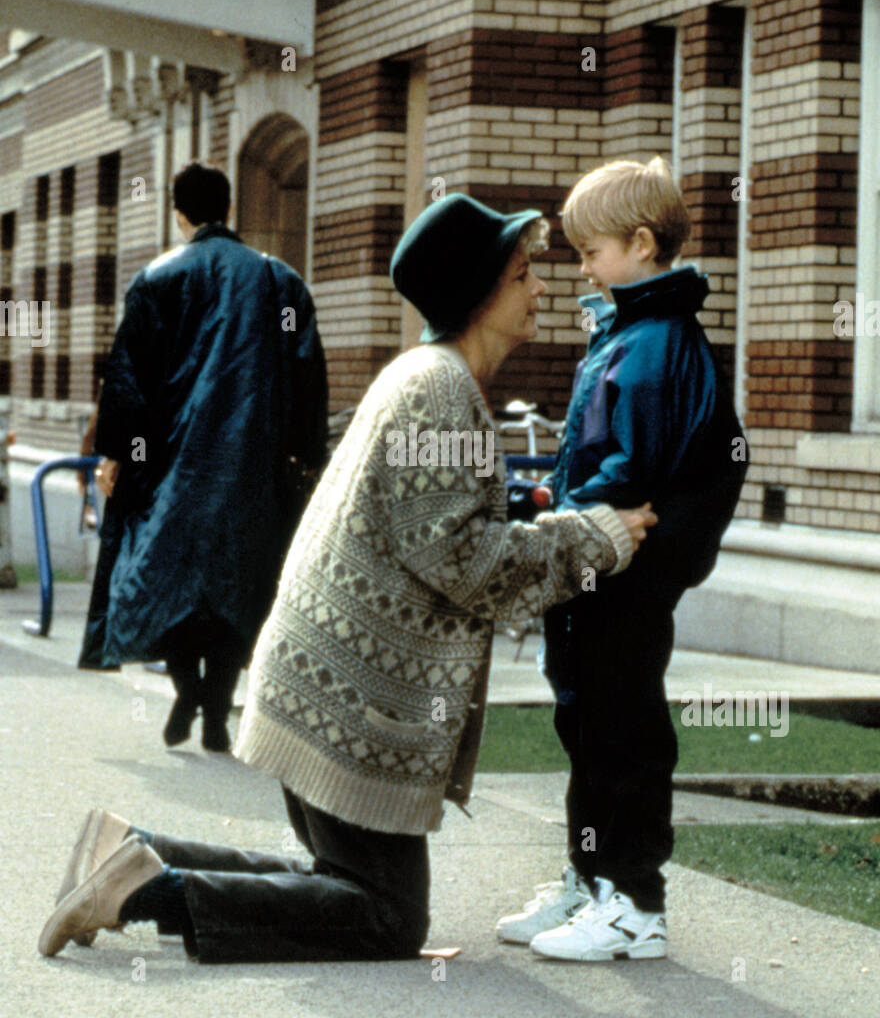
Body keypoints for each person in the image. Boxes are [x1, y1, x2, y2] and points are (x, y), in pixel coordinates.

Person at [39, 193, 656, 963]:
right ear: (477, 292)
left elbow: (438, 527)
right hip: (350, 712)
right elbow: (466, 562)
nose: (541, 290)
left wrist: (530, 509)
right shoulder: (440, 391)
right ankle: (137, 891)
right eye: (523, 274)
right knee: (385, 917)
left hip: (332, 694)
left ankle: (127, 849)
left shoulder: (430, 379)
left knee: (342, 885)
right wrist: (592, 538)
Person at [496, 157, 747, 962]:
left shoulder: (654, 343)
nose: (581, 267)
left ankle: (635, 904)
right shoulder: (632, 333)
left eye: (591, 251)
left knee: (623, 728)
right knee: (586, 720)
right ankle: (591, 876)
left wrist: (565, 515)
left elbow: (631, 465)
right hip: (601, 560)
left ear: (641, 244)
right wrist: (558, 512)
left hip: (626, 566)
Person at [77, 161, 328, 754]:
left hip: (172, 469)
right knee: (243, 587)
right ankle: (216, 710)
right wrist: (306, 457)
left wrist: (117, 454)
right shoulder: (280, 283)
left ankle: (187, 691)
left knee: (172, 582)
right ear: (231, 208)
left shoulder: (158, 279)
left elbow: (128, 376)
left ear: (178, 212)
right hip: (253, 468)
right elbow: (306, 371)